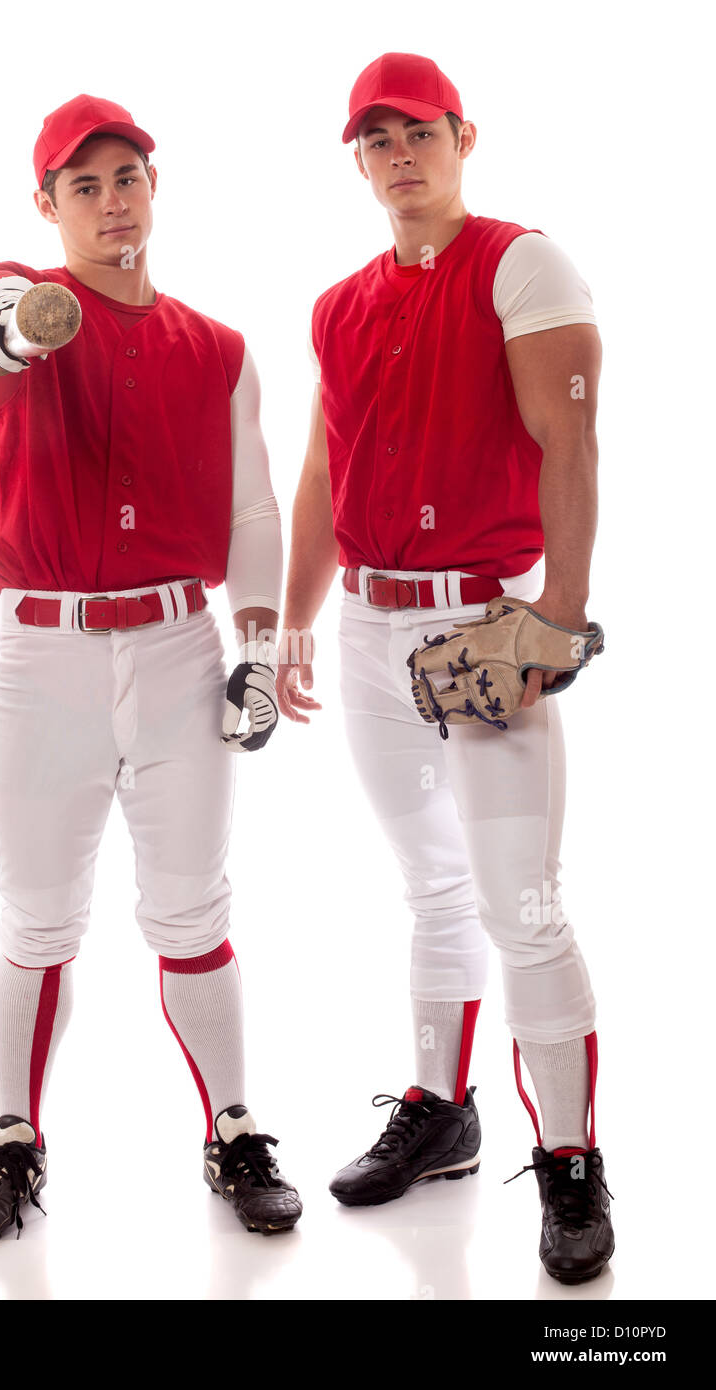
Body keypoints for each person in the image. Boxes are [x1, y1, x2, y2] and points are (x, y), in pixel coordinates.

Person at [278, 53, 613, 1283]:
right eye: (373, 139)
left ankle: (571, 1163)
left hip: (481, 622)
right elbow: (324, 473)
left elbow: (566, 434)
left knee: (521, 904)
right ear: (356, 160)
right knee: (432, 890)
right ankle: (443, 1112)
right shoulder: (338, 302)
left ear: (462, 136)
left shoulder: (521, 260)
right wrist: (285, 626)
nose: (397, 154)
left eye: (415, 130)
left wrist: (556, 619)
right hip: (369, 625)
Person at [0, 93, 302, 1242]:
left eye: (127, 178)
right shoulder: (22, 295)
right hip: (40, 652)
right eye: (82, 185)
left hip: (175, 646)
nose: (109, 201)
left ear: (155, 188)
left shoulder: (219, 347)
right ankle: (12, 1137)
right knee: (38, 915)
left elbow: (252, 499)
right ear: (47, 204)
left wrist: (258, 642)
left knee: (192, 905)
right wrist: (11, 326)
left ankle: (236, 1127)